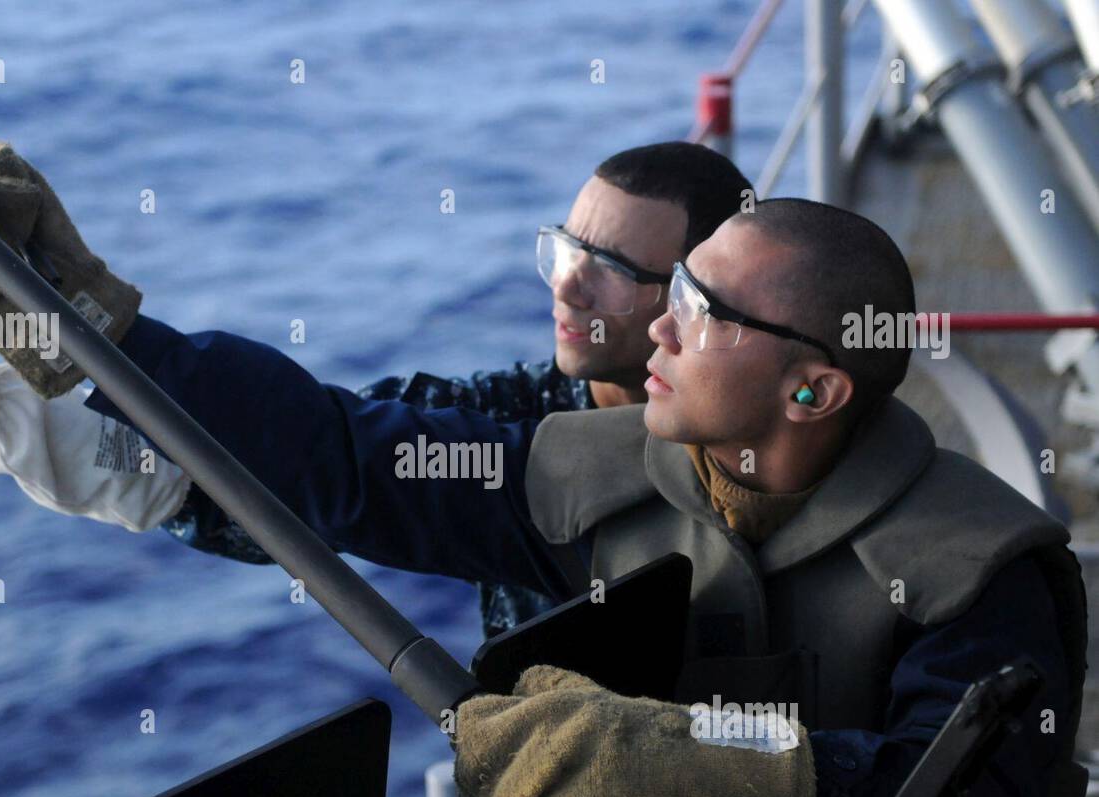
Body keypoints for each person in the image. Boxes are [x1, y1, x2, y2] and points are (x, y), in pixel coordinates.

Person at [0, 149, 1087, 797]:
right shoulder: (584, 466)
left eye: (693, 307)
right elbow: (335, 459)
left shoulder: (980, 566)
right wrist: (93, 327)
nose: (641, 325)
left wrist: (674, 750)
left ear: (811, 393)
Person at [156, 141, 755, 638]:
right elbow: (320, 465)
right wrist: (155, 480)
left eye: (612, 270)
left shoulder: (756, 441)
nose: (568, 287)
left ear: (688, 298)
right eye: (566, 250)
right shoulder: (506, 416)